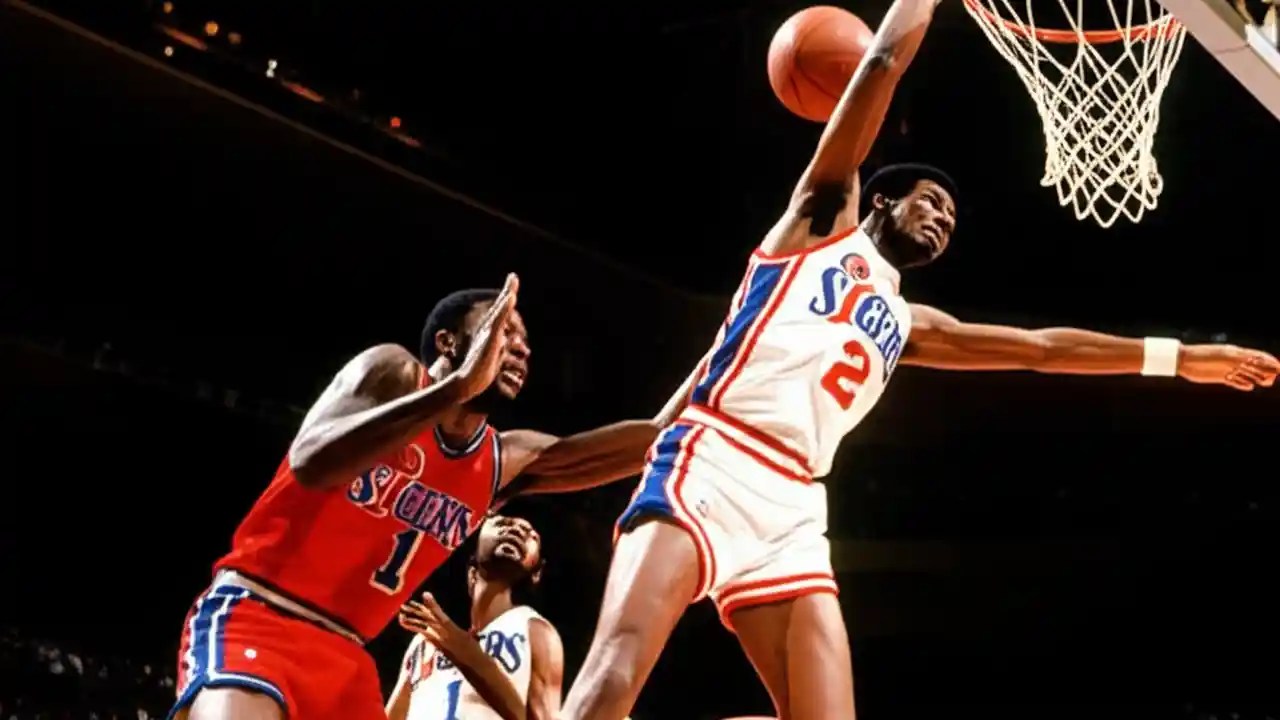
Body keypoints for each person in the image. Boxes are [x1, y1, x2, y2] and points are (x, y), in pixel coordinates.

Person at [558, 0, 1280, 718]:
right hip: (717, 455)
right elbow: (879, 63)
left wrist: (1179, 359)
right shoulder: (819, 224)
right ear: (881, 201)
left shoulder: (906, 323)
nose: (942, 220)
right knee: (616, 675)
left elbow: (1040, 349)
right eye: (930, 203)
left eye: (951, 221)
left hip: (796, 506)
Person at [169, 276, 673, 720]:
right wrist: (453, 390)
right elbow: (309, 461)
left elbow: (657, 438)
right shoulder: (393, 373)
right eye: (504, 331)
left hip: (347, 655)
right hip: (259, 613)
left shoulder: (502, 460)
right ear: (448, 342)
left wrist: (714, 378)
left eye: (525, 342)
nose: (521, 349)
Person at [387, 513, 562, 720]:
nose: (516, 530)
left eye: (530, 535)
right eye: (502, 523)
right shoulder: (426, 643)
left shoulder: (535, 630)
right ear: (471, 573)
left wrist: (461, 647)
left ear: (536, 573)